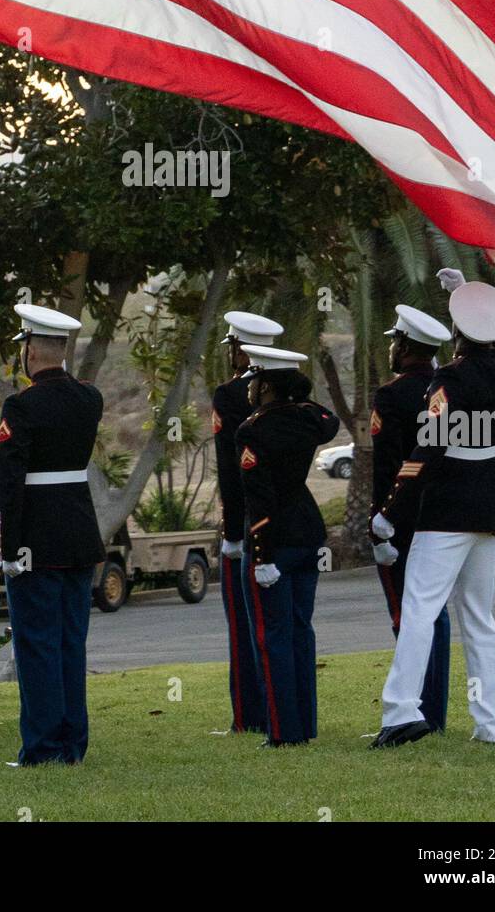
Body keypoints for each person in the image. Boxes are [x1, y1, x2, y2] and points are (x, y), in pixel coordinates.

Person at [370, 271, 495, 749]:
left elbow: (426, 451)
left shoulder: (448, 380)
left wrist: (390, 512)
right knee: (479, 616)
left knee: (419, 608)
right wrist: (466, 295)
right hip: (491, 502)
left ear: (456, 333)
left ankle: (400, 710)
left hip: (449, 506)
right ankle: (492, 723)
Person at [0, 303, 105, 767]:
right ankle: (72, 744)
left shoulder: (21, 406)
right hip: (79, 531)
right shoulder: (90, 398)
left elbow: (11, 483)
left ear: (30, 352)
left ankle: (41, 748)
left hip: (36, 537)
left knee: (37, 645)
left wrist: (10, 549)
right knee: (69, 643)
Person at [236, 345, 340, 747]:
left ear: (266, 387)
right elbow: (327, 418)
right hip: (307, 532)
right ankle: (305, 725)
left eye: (255, 380)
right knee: (300, 630)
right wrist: (297, 392)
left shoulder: (253, 429)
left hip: (273, 541)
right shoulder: (310, 420)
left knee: (272, 636)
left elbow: (257, 496)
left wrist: (260, 555)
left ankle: (282, 732)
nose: (249, 387)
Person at [369, 305, 452, 734]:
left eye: (393, 341)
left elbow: (388, 468)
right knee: (436, 614)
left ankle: (411, 713)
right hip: (442, 515)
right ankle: (434, 713)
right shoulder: (445, 389)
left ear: (403, 346)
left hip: (402, 518)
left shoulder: (392, 395)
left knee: (408, 616)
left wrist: (379, 520)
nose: (390, 348)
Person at [213, 310, 284, 734]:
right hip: (286, 516)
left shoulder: (229, 395)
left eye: (232, 348)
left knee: (243, 626)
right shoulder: (292, 390)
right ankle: (282, 707)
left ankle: (250, 715)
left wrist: (232, 530)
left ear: (241, 351)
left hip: (247, 521)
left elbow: (230, 467)